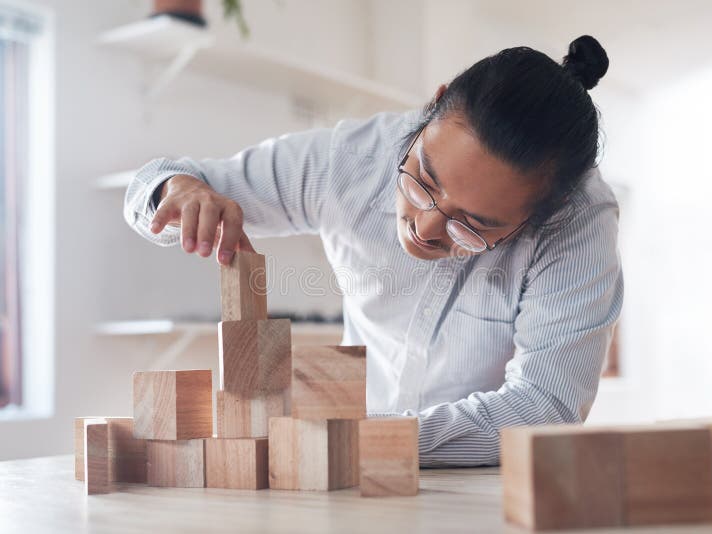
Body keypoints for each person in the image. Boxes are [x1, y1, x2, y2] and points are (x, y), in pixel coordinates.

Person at [124, 35, 623, 467]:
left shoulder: (578, 218)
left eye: (474, 226)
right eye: (423, 179)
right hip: (346, 467)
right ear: (435, 105)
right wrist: (179, 192)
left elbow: (547, 404)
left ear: (547, 209)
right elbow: (153, 184)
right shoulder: (351, 158)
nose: (427, 228)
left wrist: (367, 436)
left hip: (484, 482)